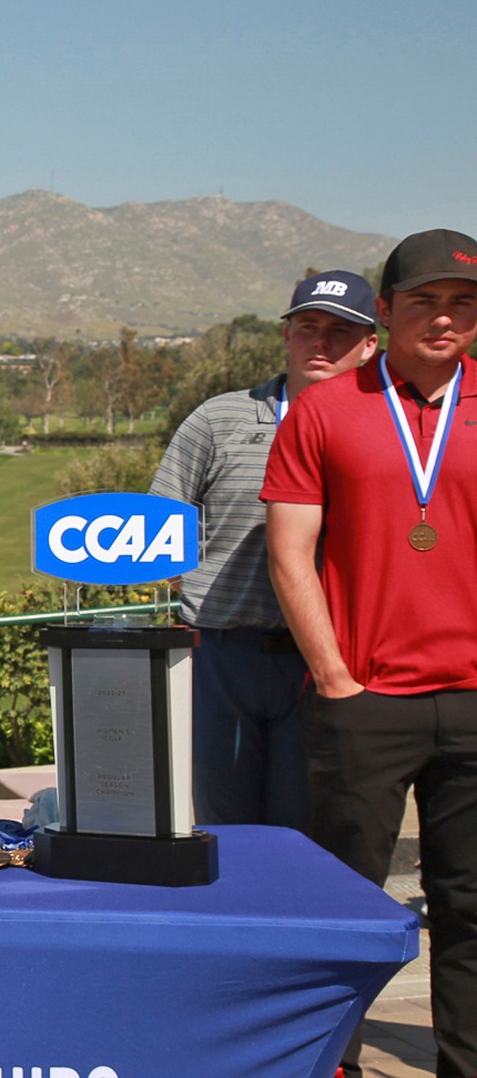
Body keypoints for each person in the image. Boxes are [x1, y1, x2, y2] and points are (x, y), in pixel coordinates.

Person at [263, 228, 477, 1077]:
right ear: (384, 312)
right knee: (345, 907)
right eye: (424, 300)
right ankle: (334, 1065)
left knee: (469, 908)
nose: (445, 318)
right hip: (365, 702)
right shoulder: (326, 408)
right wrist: (335, 677)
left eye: (463, 303)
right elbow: (290, 552)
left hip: (473, 697)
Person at [149, 270, 378, 827]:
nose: (320, 343)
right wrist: (197, 589)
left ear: (371, 343)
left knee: (307, 825)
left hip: (329, 658)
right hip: (224, 653)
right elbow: (159, 526)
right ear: (287, 335)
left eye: (341, 331)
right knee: (224, 824)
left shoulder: (383, 429)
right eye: (307, 327)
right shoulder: (219, 418)